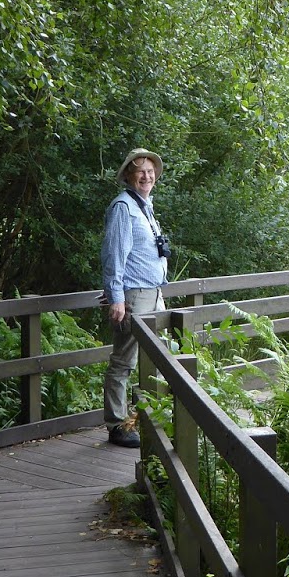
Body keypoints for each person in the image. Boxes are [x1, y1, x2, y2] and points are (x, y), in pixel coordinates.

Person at [100, 147, 170, 447]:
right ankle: (117, 425)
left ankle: (146, 419)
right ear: (129, 174)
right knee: (124, 361)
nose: (147, 175)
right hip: (134, 295)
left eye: (150, 171)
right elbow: (113, 255)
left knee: (158, 360)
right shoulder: (123, 207)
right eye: (140, 170)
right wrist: (116, 296)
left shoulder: (145, 207)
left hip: (154, 294)